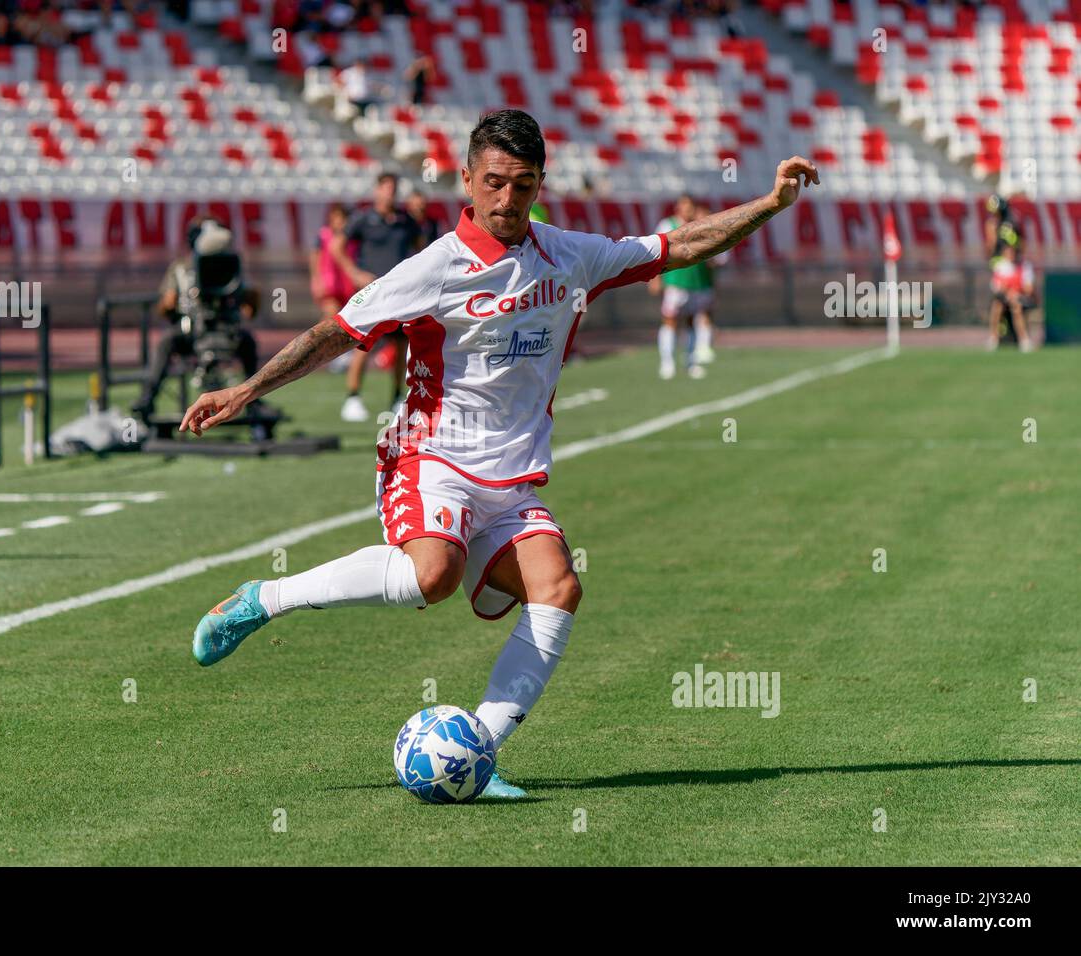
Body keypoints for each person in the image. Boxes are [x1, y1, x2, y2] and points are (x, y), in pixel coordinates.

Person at [178, 109, 818, 799]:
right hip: (429, 455)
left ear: (540, 184)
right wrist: (247, 389)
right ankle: (263, 598)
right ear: (467, 180)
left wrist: (772, 202)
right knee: (434, 575)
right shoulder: (435, 267)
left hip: (510, 482)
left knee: (559, 587)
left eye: (522, 185)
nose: (507, 200)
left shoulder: (571, 256)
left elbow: (678, 246)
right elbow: (336, 332)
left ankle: (474, 755)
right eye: (494, 183)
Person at [132, 218, 259, 420]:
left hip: (222, 330)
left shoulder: (230, 265)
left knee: (247, 342)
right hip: (195, 331)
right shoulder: (183, 267)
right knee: (167, 342)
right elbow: (251, 307)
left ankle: (255, 402)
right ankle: (147, 398)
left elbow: (250, 303)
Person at [328, 171, 419, 422]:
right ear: (378, 190)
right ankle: (353, 397)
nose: (391, 193)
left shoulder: (406, 221)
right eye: (387, 188)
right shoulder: (363, 219)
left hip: (401, 293)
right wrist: (354, 272)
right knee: (362, 344)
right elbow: (336, 246)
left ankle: (397, 397)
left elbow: (422, 248)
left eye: (394, 188)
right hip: (372, 293)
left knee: (401, 346)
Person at [650, 194, 723, 379]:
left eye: (690, 205)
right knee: (670, 321)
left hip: (697, 282)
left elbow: (717, 258)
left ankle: (690, 361)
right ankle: (667, 363)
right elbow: (657, 253)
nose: (687, 209)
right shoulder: (668, 225)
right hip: (676, 282)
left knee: (691, 322)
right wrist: (656, 278)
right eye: (684, 205)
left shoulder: (701, 227)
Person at [983, 194, 1031, 351]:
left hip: (1013, 282)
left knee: (1014, 306)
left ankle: (1021, 339)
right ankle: (996, 336)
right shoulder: (998, 224)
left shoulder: (1007, 224)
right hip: (1002, 275)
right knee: (998, 305)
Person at [308, 202, 356, 325]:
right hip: (328, 284)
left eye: (341, 218)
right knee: (331, 312)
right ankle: (316, 341)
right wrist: (316, 279)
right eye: (335, 218)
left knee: (345, 319)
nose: (338, 222)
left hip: (347, 286)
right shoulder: (324, 235)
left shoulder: (350, 238)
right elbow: (315, 256)